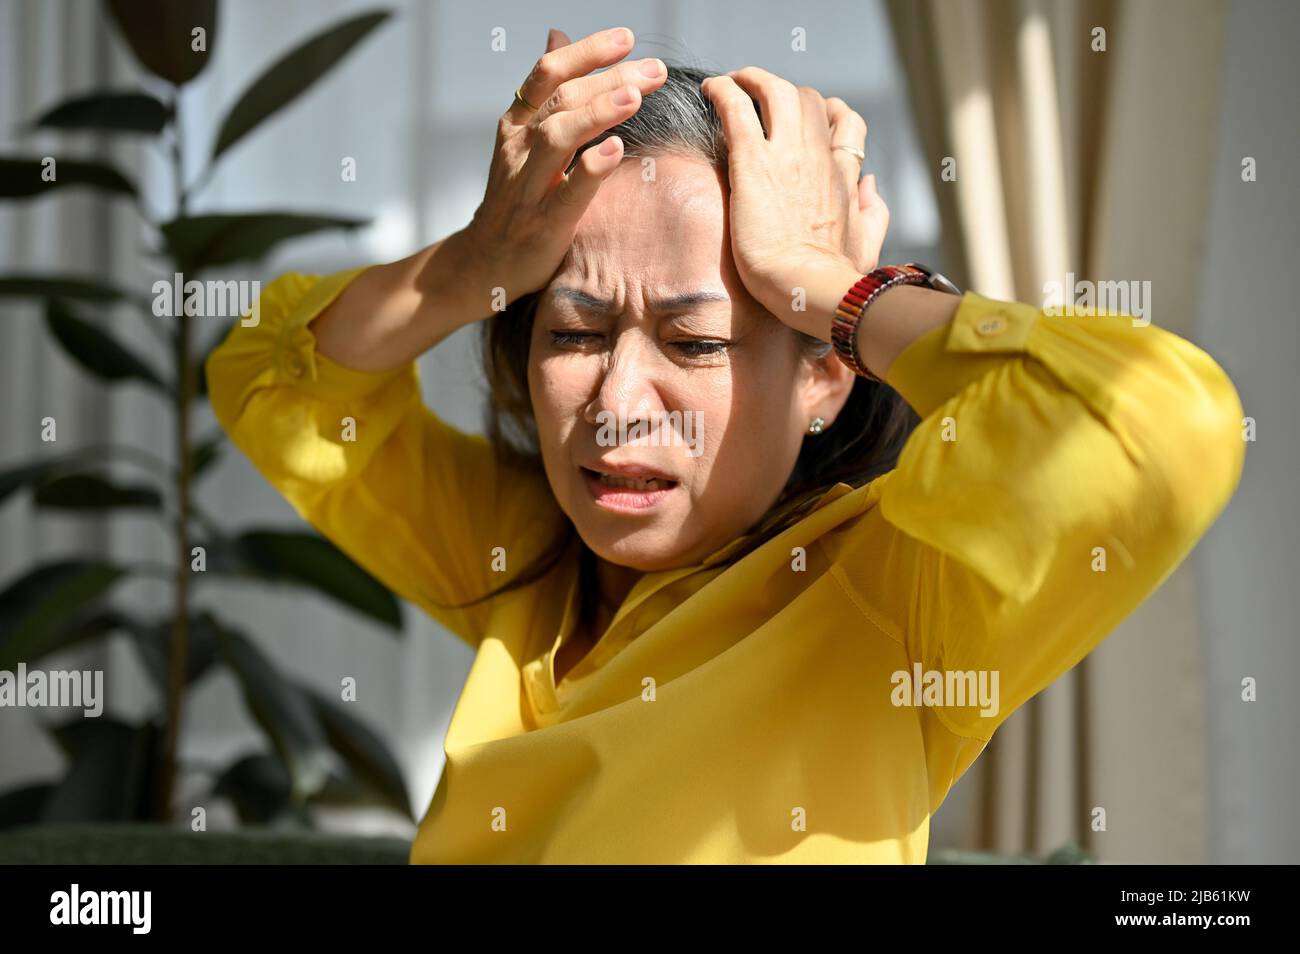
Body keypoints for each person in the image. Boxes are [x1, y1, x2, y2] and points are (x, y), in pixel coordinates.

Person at [205, 26, 1245, 863]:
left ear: (826, 376)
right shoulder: (520, 553)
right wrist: (474, 259)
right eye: (572, 333)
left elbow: (1158, 427)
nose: (616, 402)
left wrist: (822, 280)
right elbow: (269, 377)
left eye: (694, 341)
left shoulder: (897, 594)